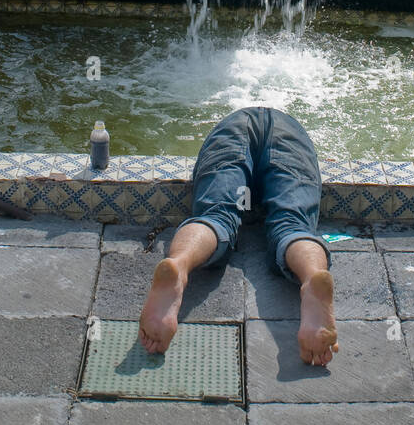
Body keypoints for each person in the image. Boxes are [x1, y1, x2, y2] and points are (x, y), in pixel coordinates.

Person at [139, 107, 338, 366]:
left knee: (217, 216)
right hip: (289, 136)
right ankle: (312, 276)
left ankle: (180, 264)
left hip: (233, 130)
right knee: (292, 225)